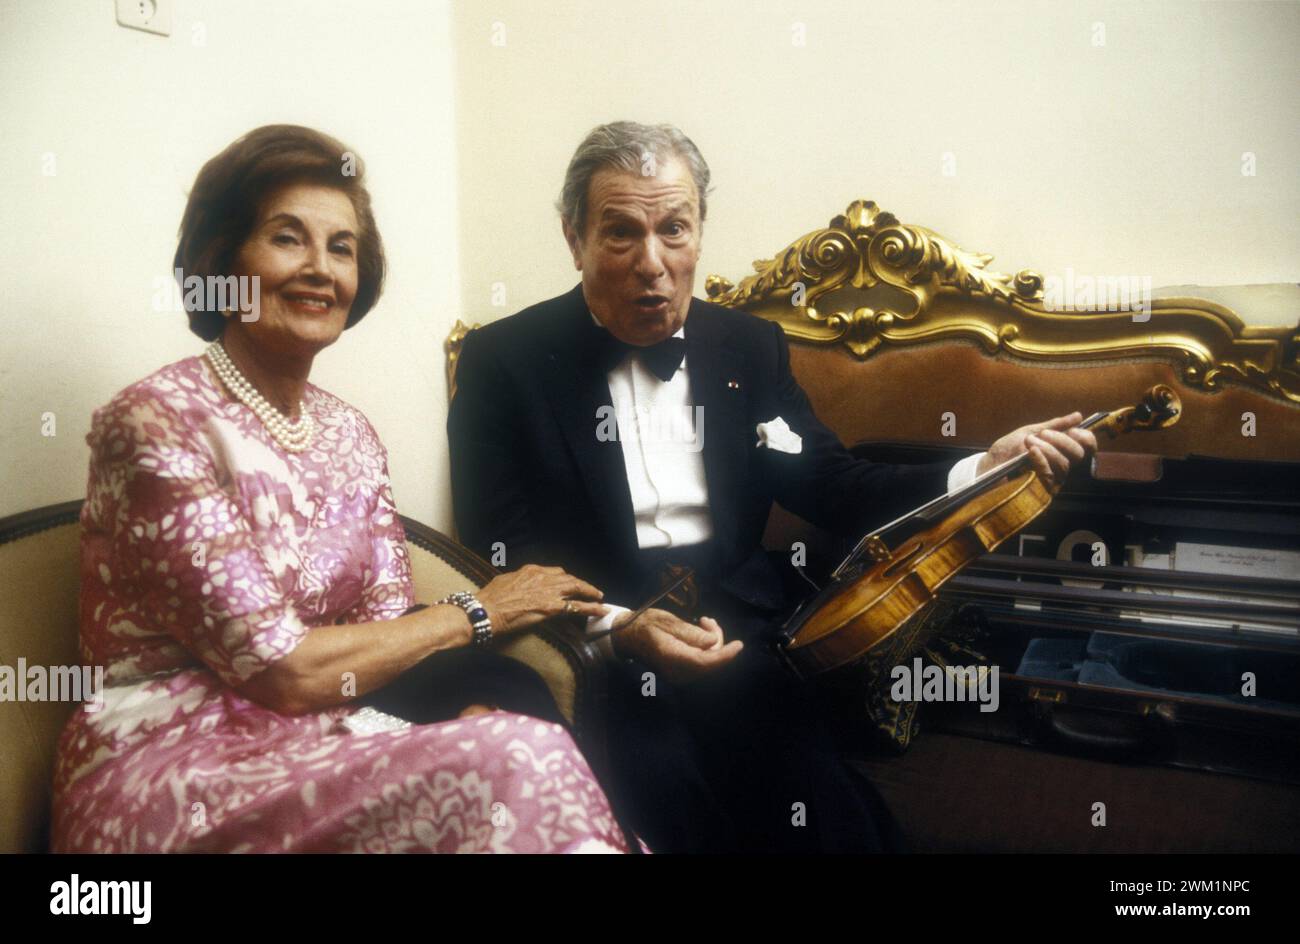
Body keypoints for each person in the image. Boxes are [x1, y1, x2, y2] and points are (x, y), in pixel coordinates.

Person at [448, 121, 1098, 853]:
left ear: (699, 232)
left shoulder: (748, 346)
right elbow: (499, 547)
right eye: (621, 233)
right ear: (574, 239)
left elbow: (831, 482)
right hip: (597, 640)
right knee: (666, 800)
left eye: (674, 229)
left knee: (817, 813)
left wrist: (980, 468)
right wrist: (620, 626)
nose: (653, 264)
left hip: (743, 631)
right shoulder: (503, 361)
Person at [52, 125, 627, 854]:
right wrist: (478, 611)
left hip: (327, 731)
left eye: (342, 247)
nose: (321, 269)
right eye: (288, 238)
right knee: (523, 759)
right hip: (170, 767)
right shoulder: (155, 423)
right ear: (221, 258)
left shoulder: (351, 433)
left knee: (508, 747)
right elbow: (283, 669)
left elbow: (390, 626)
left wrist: (466, 703)